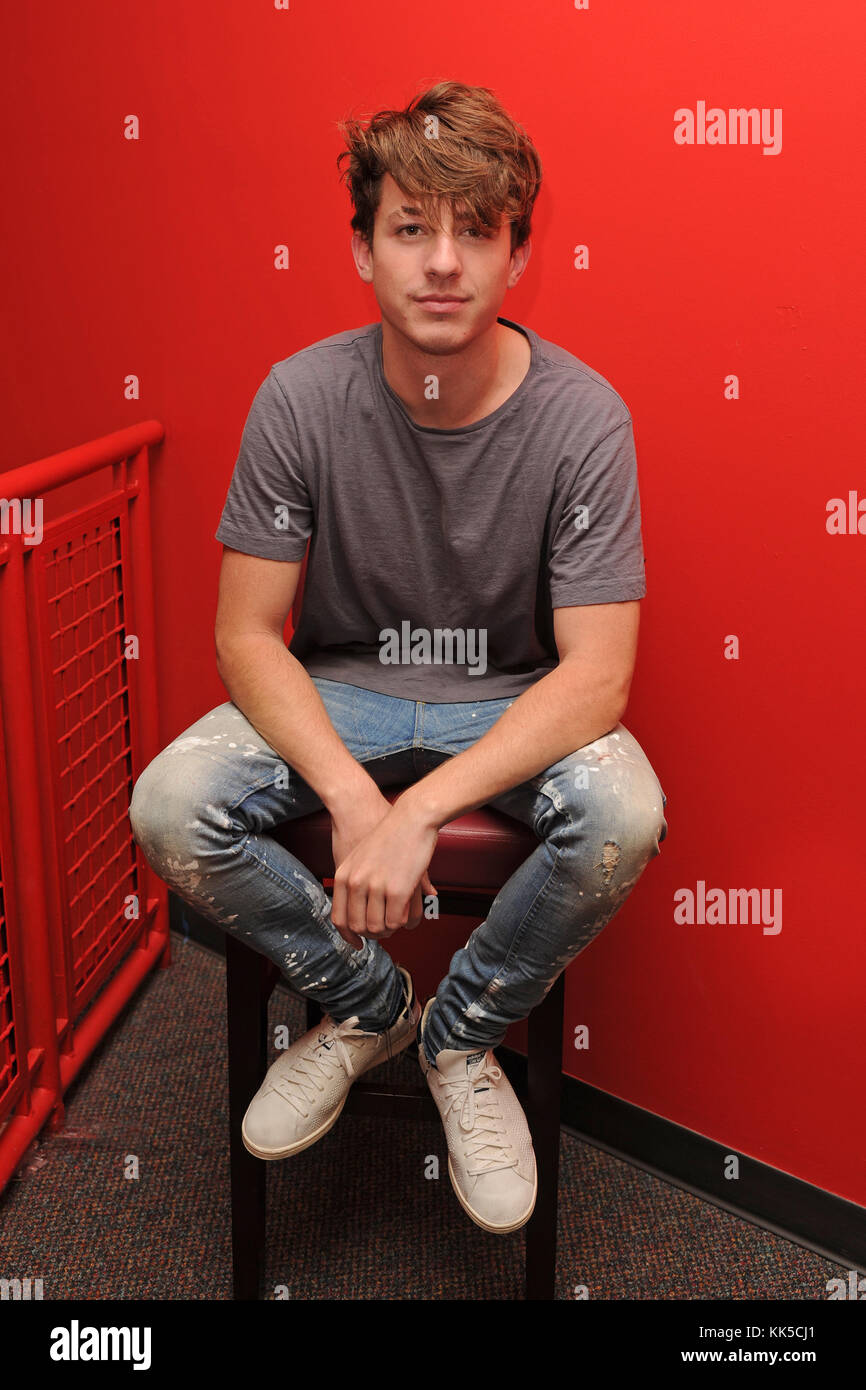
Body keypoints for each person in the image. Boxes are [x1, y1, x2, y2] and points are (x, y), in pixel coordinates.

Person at [129, 80, 668, 1238]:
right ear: (361, 249)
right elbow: (242, 634)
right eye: (409, 228)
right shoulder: (298, 397)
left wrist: (413, 811)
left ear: (515, 254)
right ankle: (366, 1002)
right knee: (171, 801)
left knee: (623, 812)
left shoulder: (584, 419)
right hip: (341, 691)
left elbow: (596, 677)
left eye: (475, 230)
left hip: (510, 699)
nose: (441, 262)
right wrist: (347, 795)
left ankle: (461, 1029)